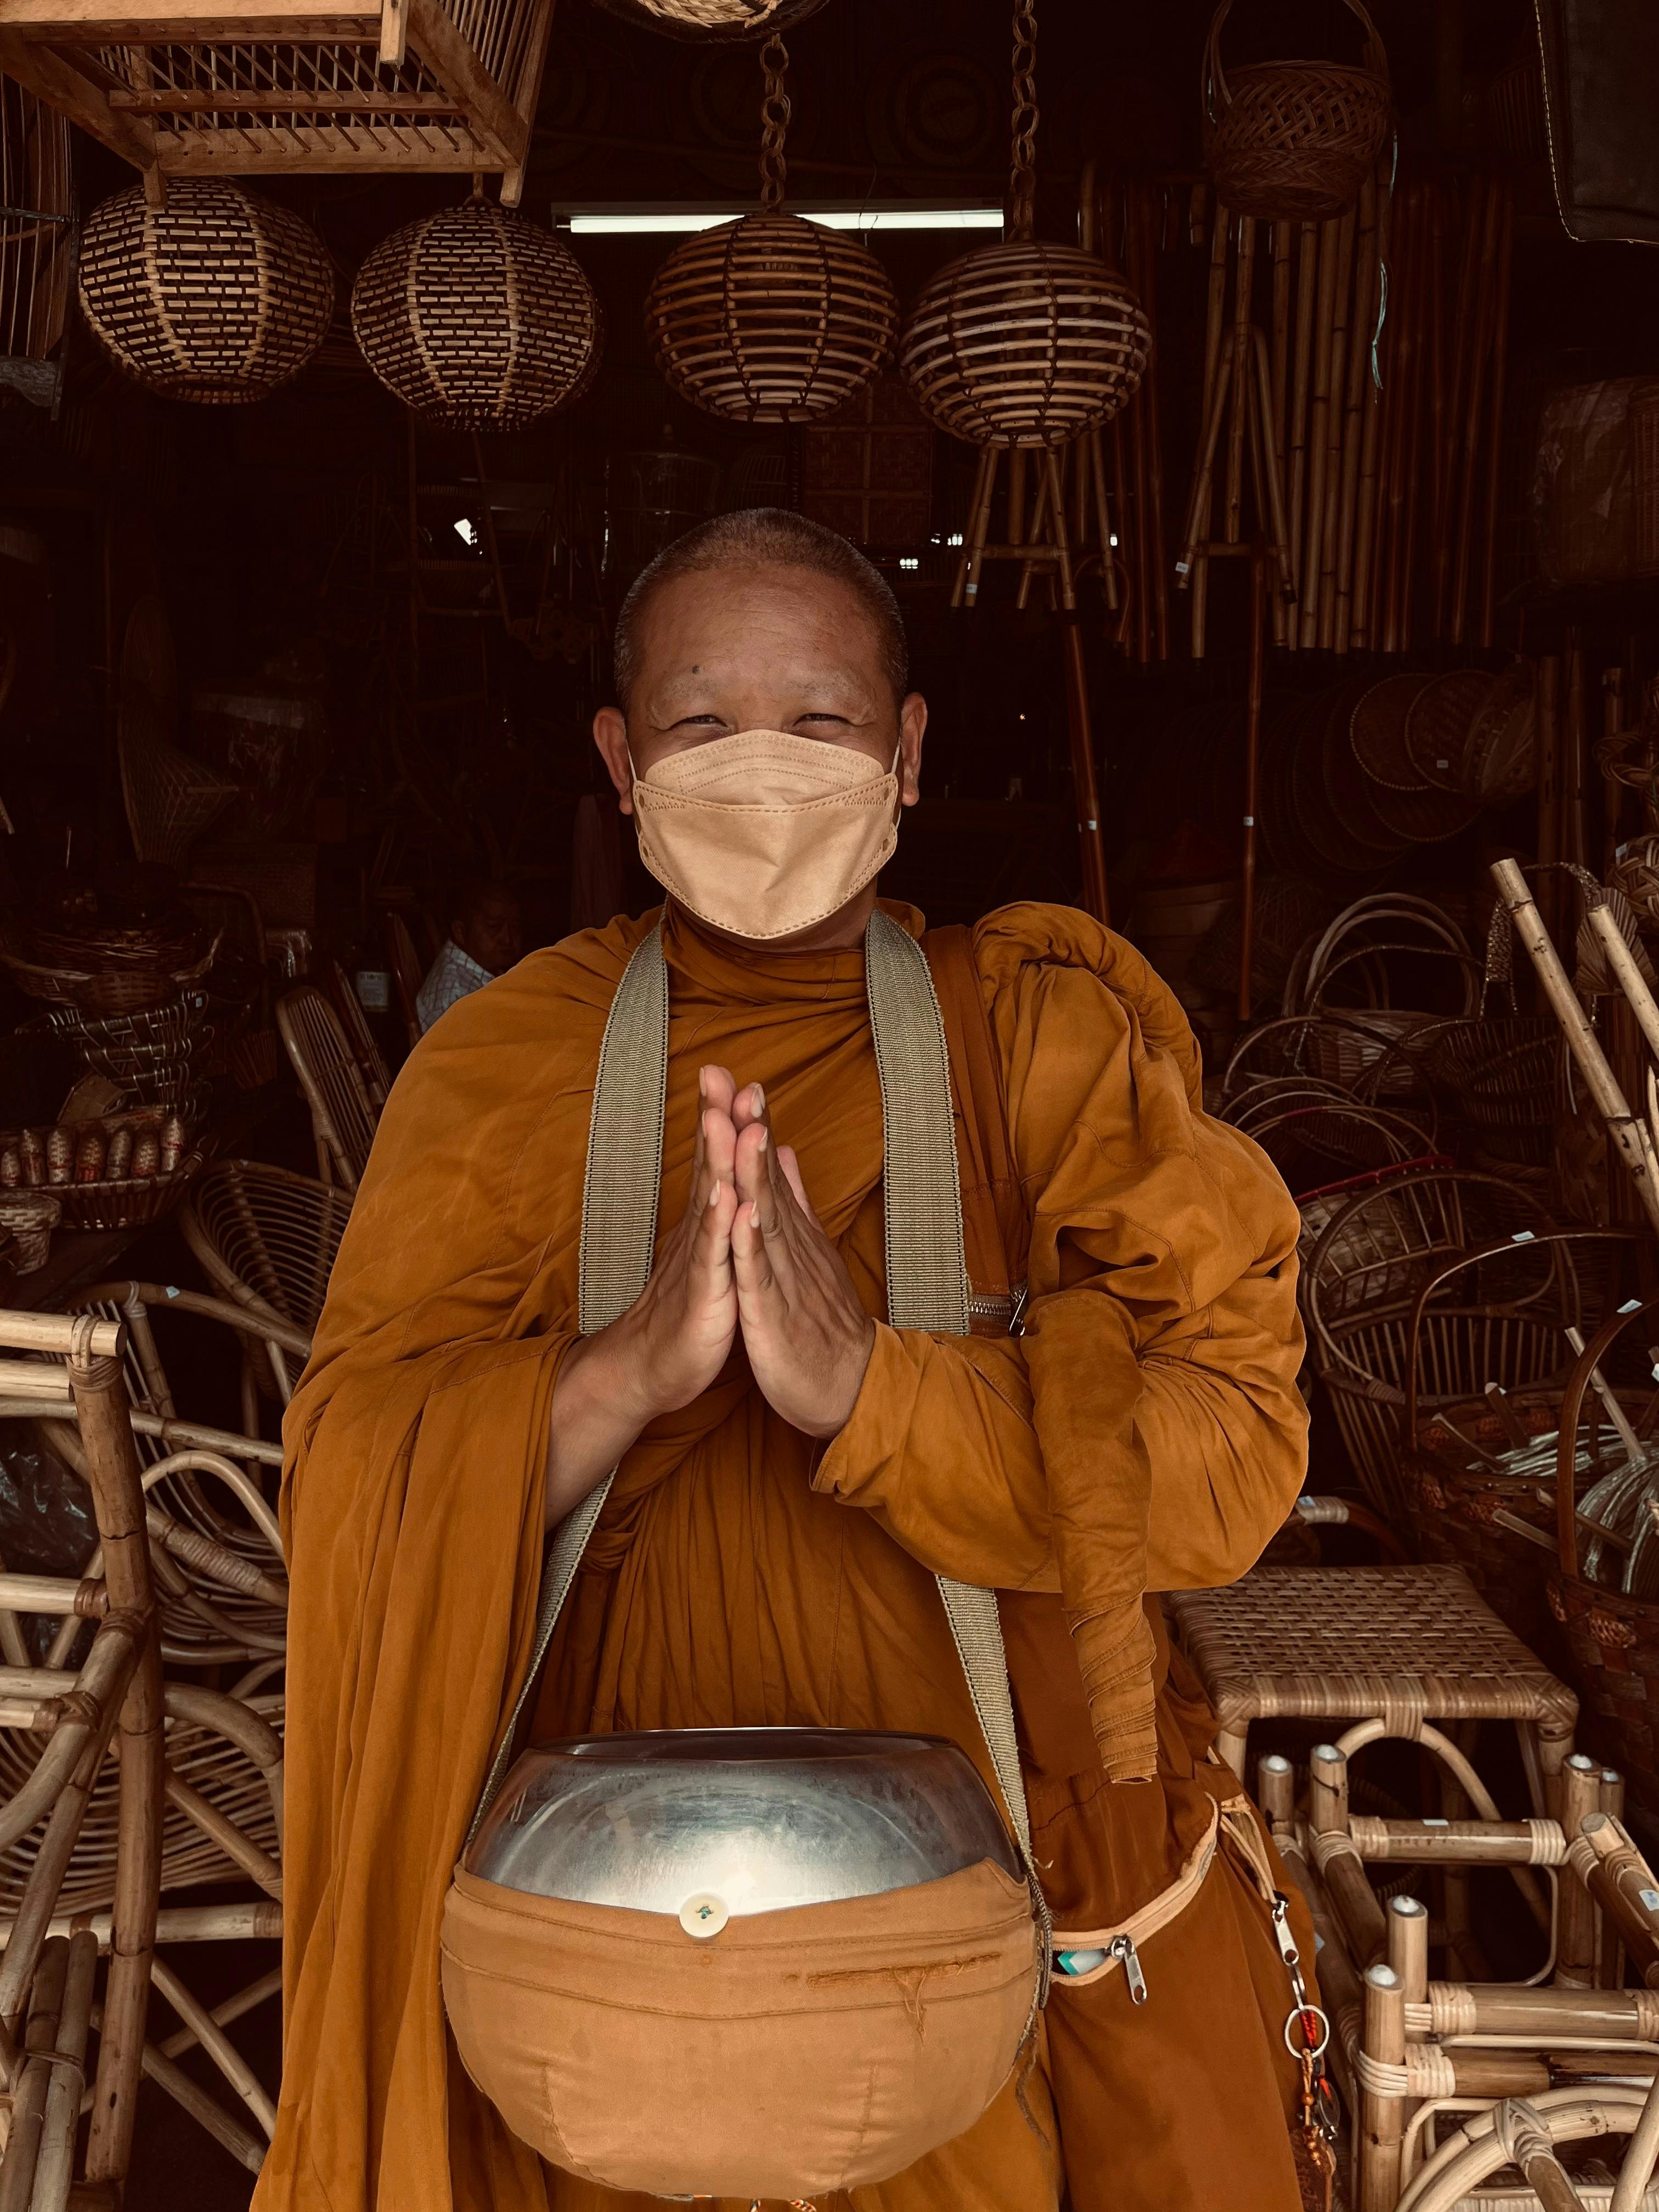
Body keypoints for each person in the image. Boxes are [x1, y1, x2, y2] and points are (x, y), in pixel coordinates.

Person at [260, 509, 1314, 2212]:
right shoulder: (497, 1065)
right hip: (583, 1914)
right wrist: (627, 1370)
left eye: (820, 725)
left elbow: (1241, 1452)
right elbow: (347, 1492)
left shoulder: (1034, 1045)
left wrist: (877, 1393)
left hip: (968, 1912)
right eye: (701, 727)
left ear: (906, 752)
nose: (763, 771)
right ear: (621, 758)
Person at [414, 879, 524, 1033]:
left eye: (515, 927)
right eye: (494, 927)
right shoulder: (456, 994)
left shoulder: (483, 970)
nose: (507, 938)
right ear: (460, 932)